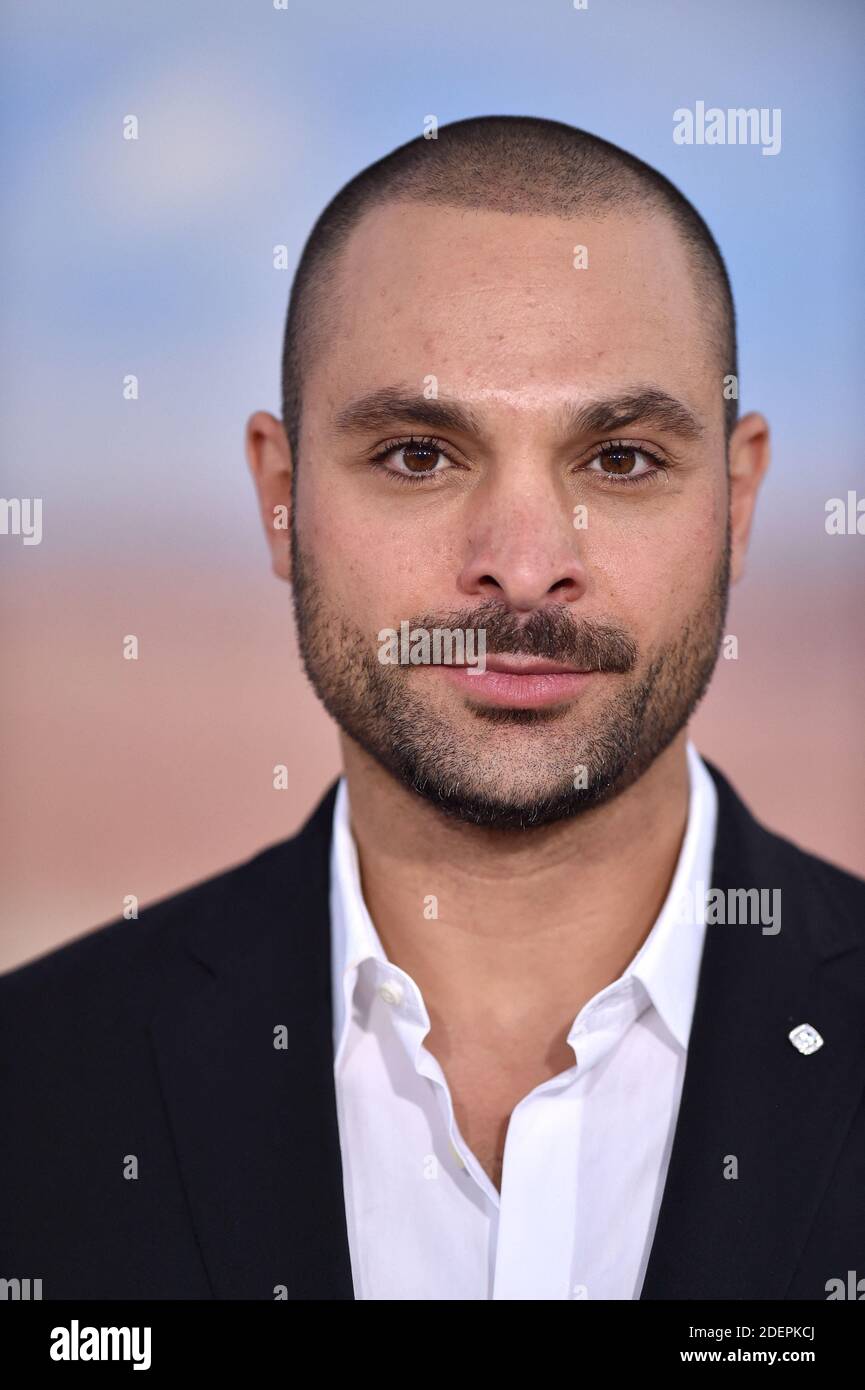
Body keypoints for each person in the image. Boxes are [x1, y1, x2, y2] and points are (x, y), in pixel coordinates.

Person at [2, 116, 863, 1302]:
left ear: (736, 498)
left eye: (618, 459)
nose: (521, 566)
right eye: (417, 453)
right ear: (280, 496)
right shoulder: (34, 1084)